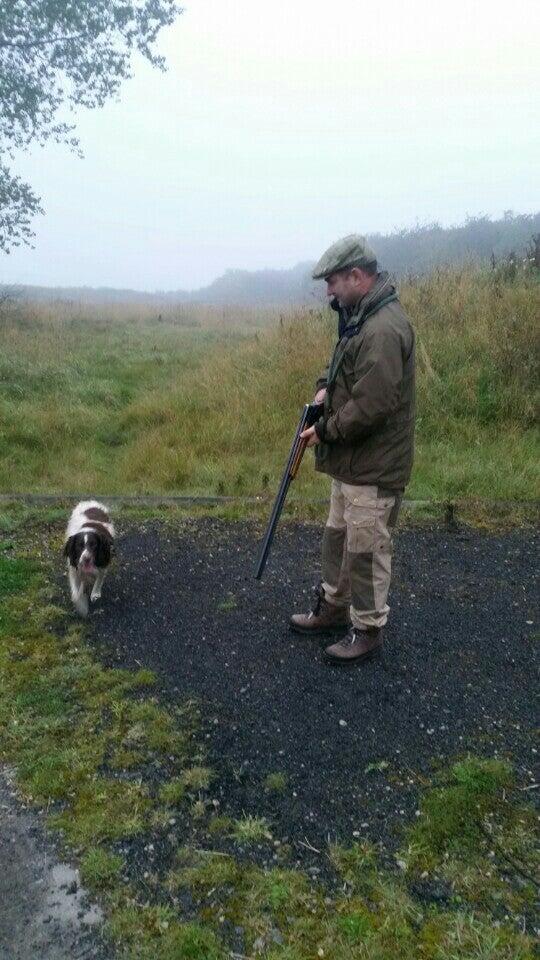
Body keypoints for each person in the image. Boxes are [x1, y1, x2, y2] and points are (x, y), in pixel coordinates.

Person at [290, 234, 415, 664]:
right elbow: (338, 367)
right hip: (351, 463)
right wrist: (324, 390)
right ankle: (333, 607)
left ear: (357, 276)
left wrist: (324, 431)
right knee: (338, 539)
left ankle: (366, 629)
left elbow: (372, 406)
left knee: (365, 551)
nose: (328, 291)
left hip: (374, 466)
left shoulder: (383, 328)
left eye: (333, 282)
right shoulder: (358, 316)